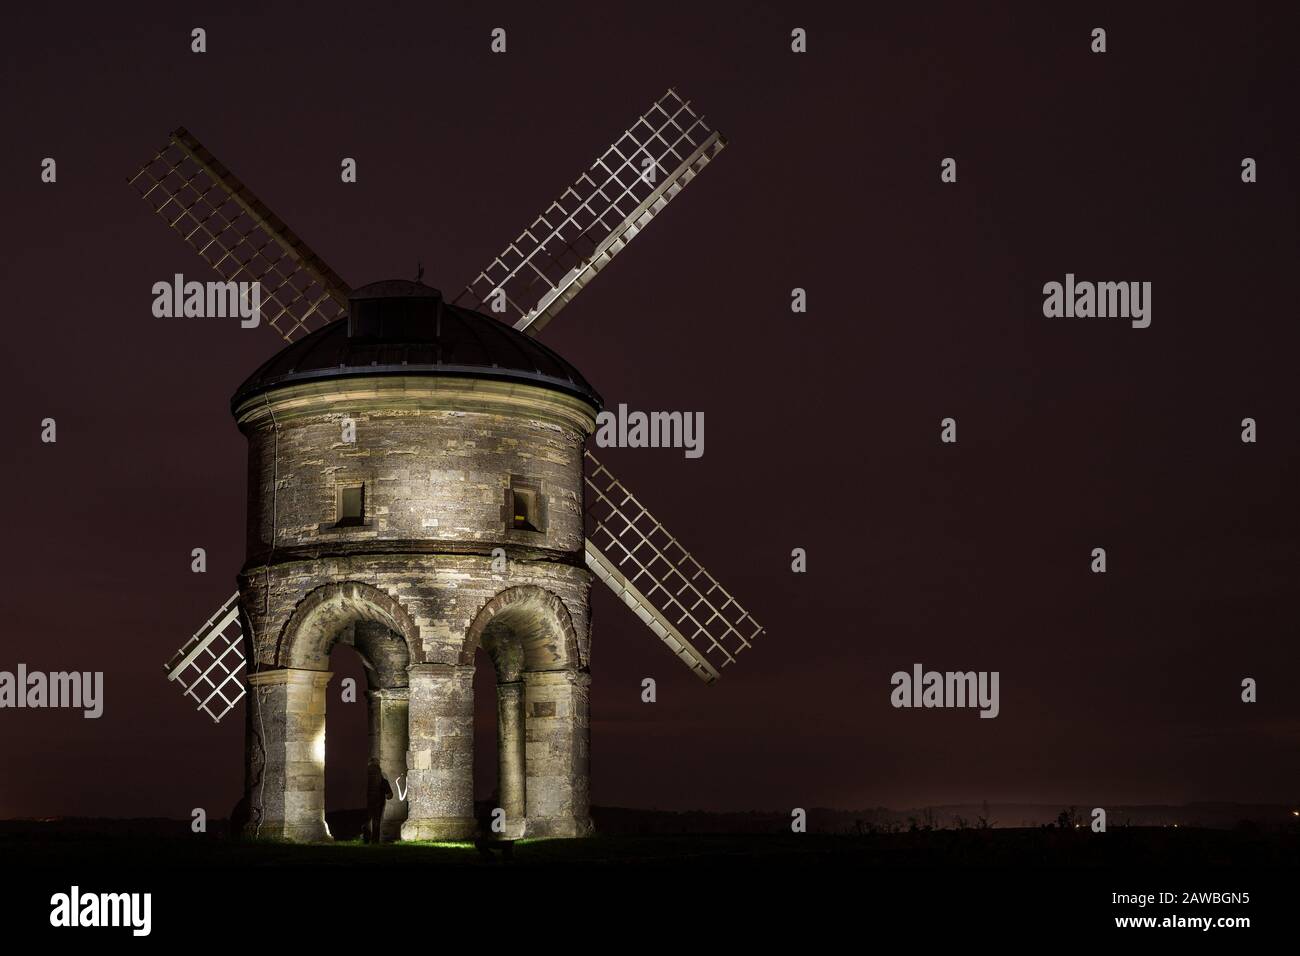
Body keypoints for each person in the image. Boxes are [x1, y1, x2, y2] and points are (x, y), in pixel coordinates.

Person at [365, 757, 393, 844]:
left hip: (366, 803)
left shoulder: (364, 779)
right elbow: (389, 795)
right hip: (379, 803)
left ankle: (366, 839)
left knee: (366, 821)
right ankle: (375, 841)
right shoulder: (382, 780)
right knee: (376, 821)